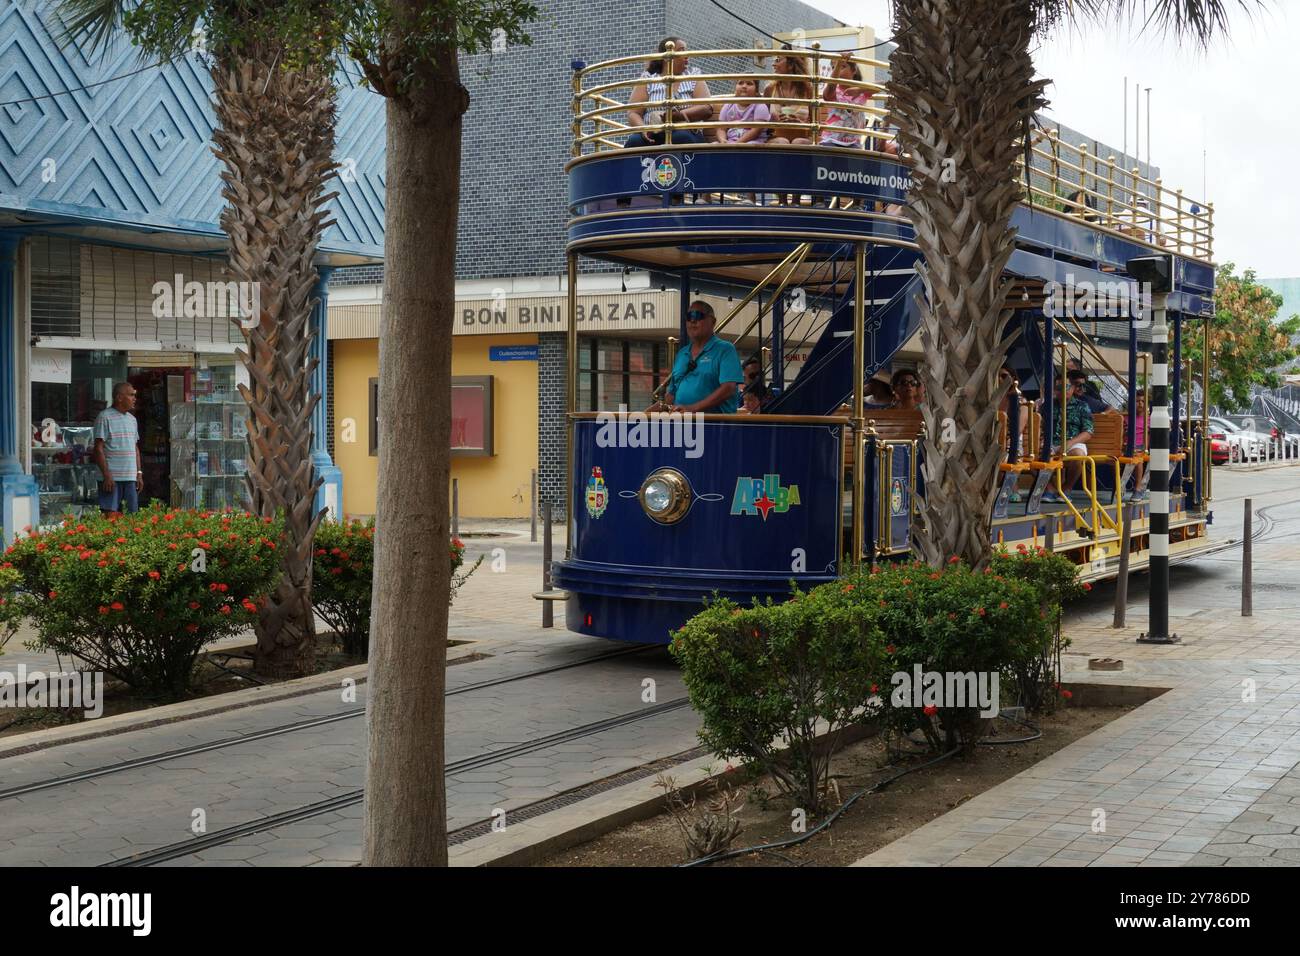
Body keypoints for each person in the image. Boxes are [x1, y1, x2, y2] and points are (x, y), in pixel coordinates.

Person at [655, 301, 744, 413]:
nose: (693, 320)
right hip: (682, 425)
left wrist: (693, 409)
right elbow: (672, 395)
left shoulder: (725, 349)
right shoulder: (682, 354)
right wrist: (642, 414)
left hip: (715, 426)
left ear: (713, 322)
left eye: (698, 315)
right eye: (689, 317)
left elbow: (728, 388)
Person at [625, 37, 713, 148]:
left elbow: (707, 108)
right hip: (653, 133)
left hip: (685, 131)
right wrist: (644, 129)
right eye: (681, 51)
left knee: (681, 138)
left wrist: (679, 116)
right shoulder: (648, 78)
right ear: (666, 57)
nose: (687, 55)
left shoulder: (693, 76)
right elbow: (633, 112)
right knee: (634, 141)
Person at [1043, 370, 1094, 502]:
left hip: (1073, 443)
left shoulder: (1082, 406)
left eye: (1066, 387)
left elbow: (1088, 431)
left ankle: (1066, 489)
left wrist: (1069, 443)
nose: (1062, 390)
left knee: (1078, 455)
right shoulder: (1047, 406)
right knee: (1031, 456)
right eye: (1058, 388)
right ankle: (1050, 488)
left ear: (1072, 388)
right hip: (1050, 442)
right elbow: (1039, 425)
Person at [93, 381, 143, 514]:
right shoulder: (104, 417)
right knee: (111, 515)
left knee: (131, 515)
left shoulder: (132, 419)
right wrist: (107, 475)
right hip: (112, 478)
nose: (134, 398)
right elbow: (98, 448)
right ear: (119, 397)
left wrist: (139, 473)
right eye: (131, 395)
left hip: (130, 477)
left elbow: (135, 448)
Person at [819, 54, 871, 149]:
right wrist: (839, 63)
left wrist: (860, 89)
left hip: (854, 142)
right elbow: (831, 86)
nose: (837, 70)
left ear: (854, 70)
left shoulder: (862, 93)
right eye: (833, 67)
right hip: (831, 140)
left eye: (843, 66)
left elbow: (882, 84)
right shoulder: (834, 91)